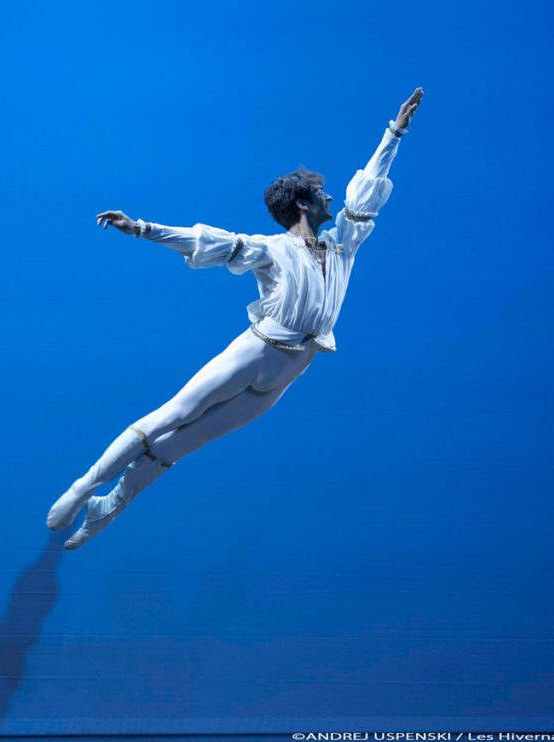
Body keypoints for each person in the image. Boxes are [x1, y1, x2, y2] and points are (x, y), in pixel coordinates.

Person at [48, 87, 424, 550]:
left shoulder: (341, 246)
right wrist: (142, 228)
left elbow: (365, 196)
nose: (331, 199)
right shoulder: (273, 248)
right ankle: (83, 486)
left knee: (182, 444)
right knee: (175, 414)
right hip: (255, 353)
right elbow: (208, 242)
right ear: (303, 203)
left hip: (287, 374)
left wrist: (395, 132)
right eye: (322, 194)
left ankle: (109, 508)